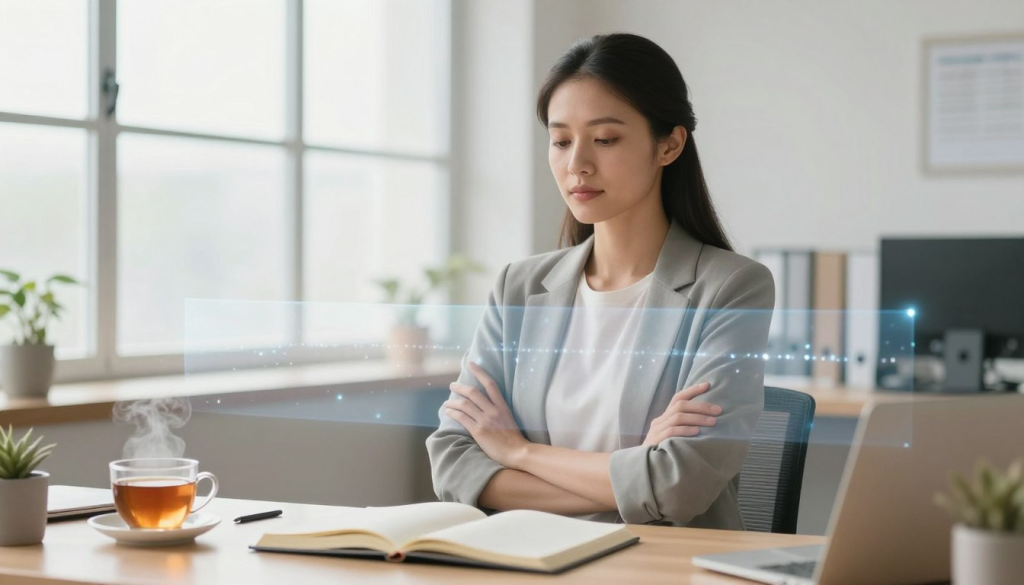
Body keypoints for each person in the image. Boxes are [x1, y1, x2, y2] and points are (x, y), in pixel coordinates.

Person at [426, 33, 775, 529]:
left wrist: (516, 452)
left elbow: (678, 487)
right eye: (562, 140)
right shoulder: (519, 287)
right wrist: (632, 477)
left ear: (669, 144)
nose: (577, 165)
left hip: (659, 568)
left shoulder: (732, 287)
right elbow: (453, 463)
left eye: (605, 139)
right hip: (530, 558)